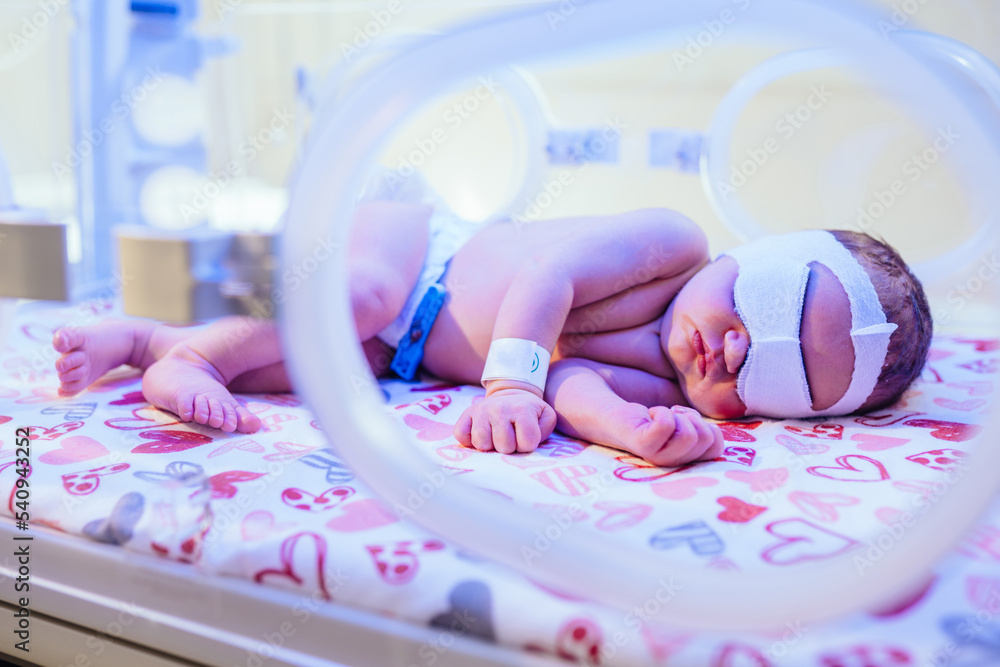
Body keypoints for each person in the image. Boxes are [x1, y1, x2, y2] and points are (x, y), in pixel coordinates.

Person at [51, 174, 932, 468]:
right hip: (415, 253)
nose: (736, 346)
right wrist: (510, 380)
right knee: (353, 299)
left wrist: (633, 430)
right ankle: (191, 359)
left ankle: (138, 341)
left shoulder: (672, 383)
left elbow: (576, 381)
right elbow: (550, 276)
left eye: (771, 376)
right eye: (766, 307)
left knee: (320, 362)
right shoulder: (673, 243)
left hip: (407, 353)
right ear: (756, 254)